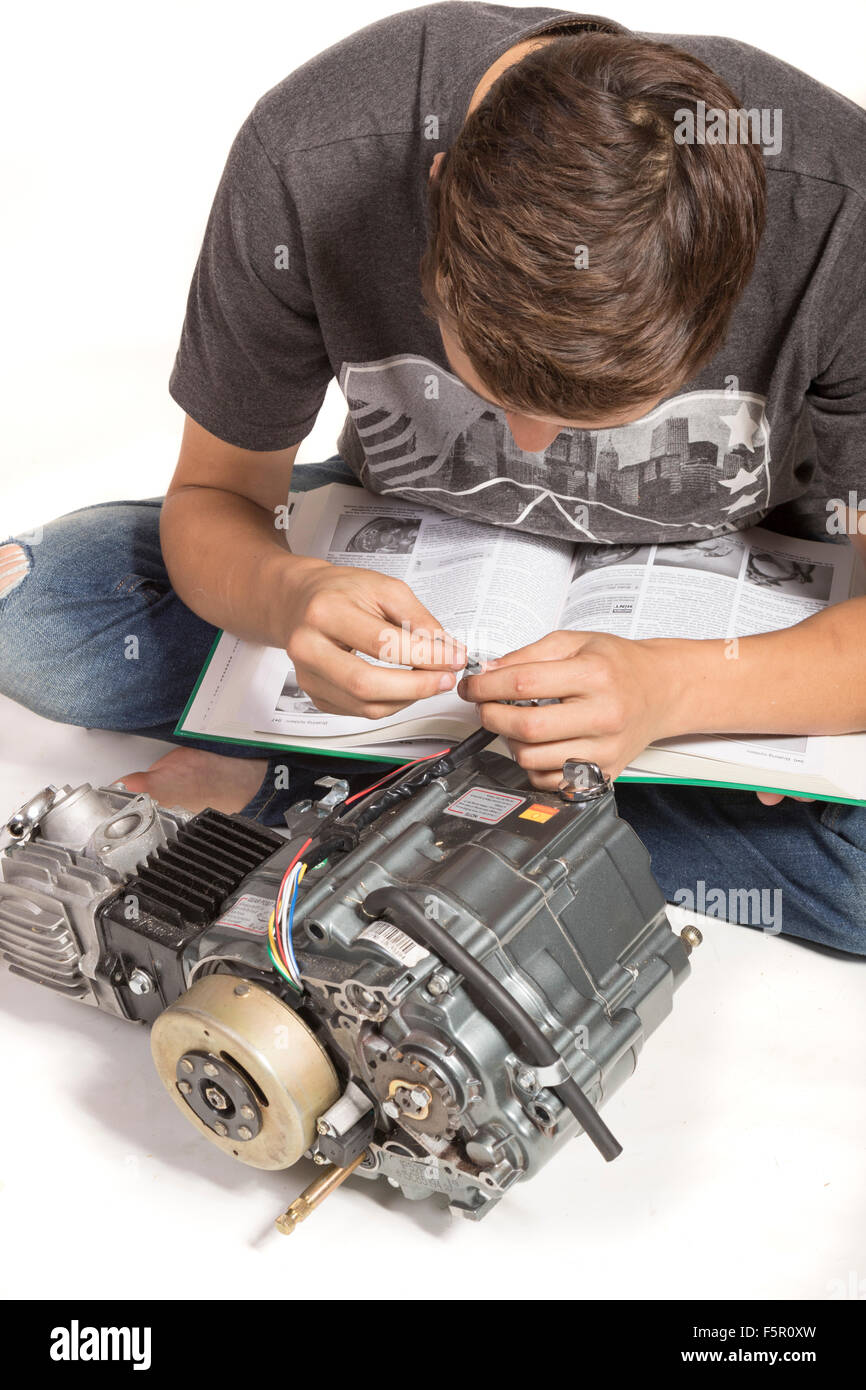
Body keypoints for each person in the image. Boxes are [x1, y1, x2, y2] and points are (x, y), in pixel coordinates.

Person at [1, 6, 864, 951]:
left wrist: (679, 692)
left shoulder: (839, 204)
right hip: (418, 532)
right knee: (38, 617)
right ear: (440, 189)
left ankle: (308, 794)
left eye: (597, 421)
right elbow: (220, 498)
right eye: (493, 393)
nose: (533, 450)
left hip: (741, 570)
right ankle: (527, 818)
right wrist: (294, 596)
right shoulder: (311, 152)